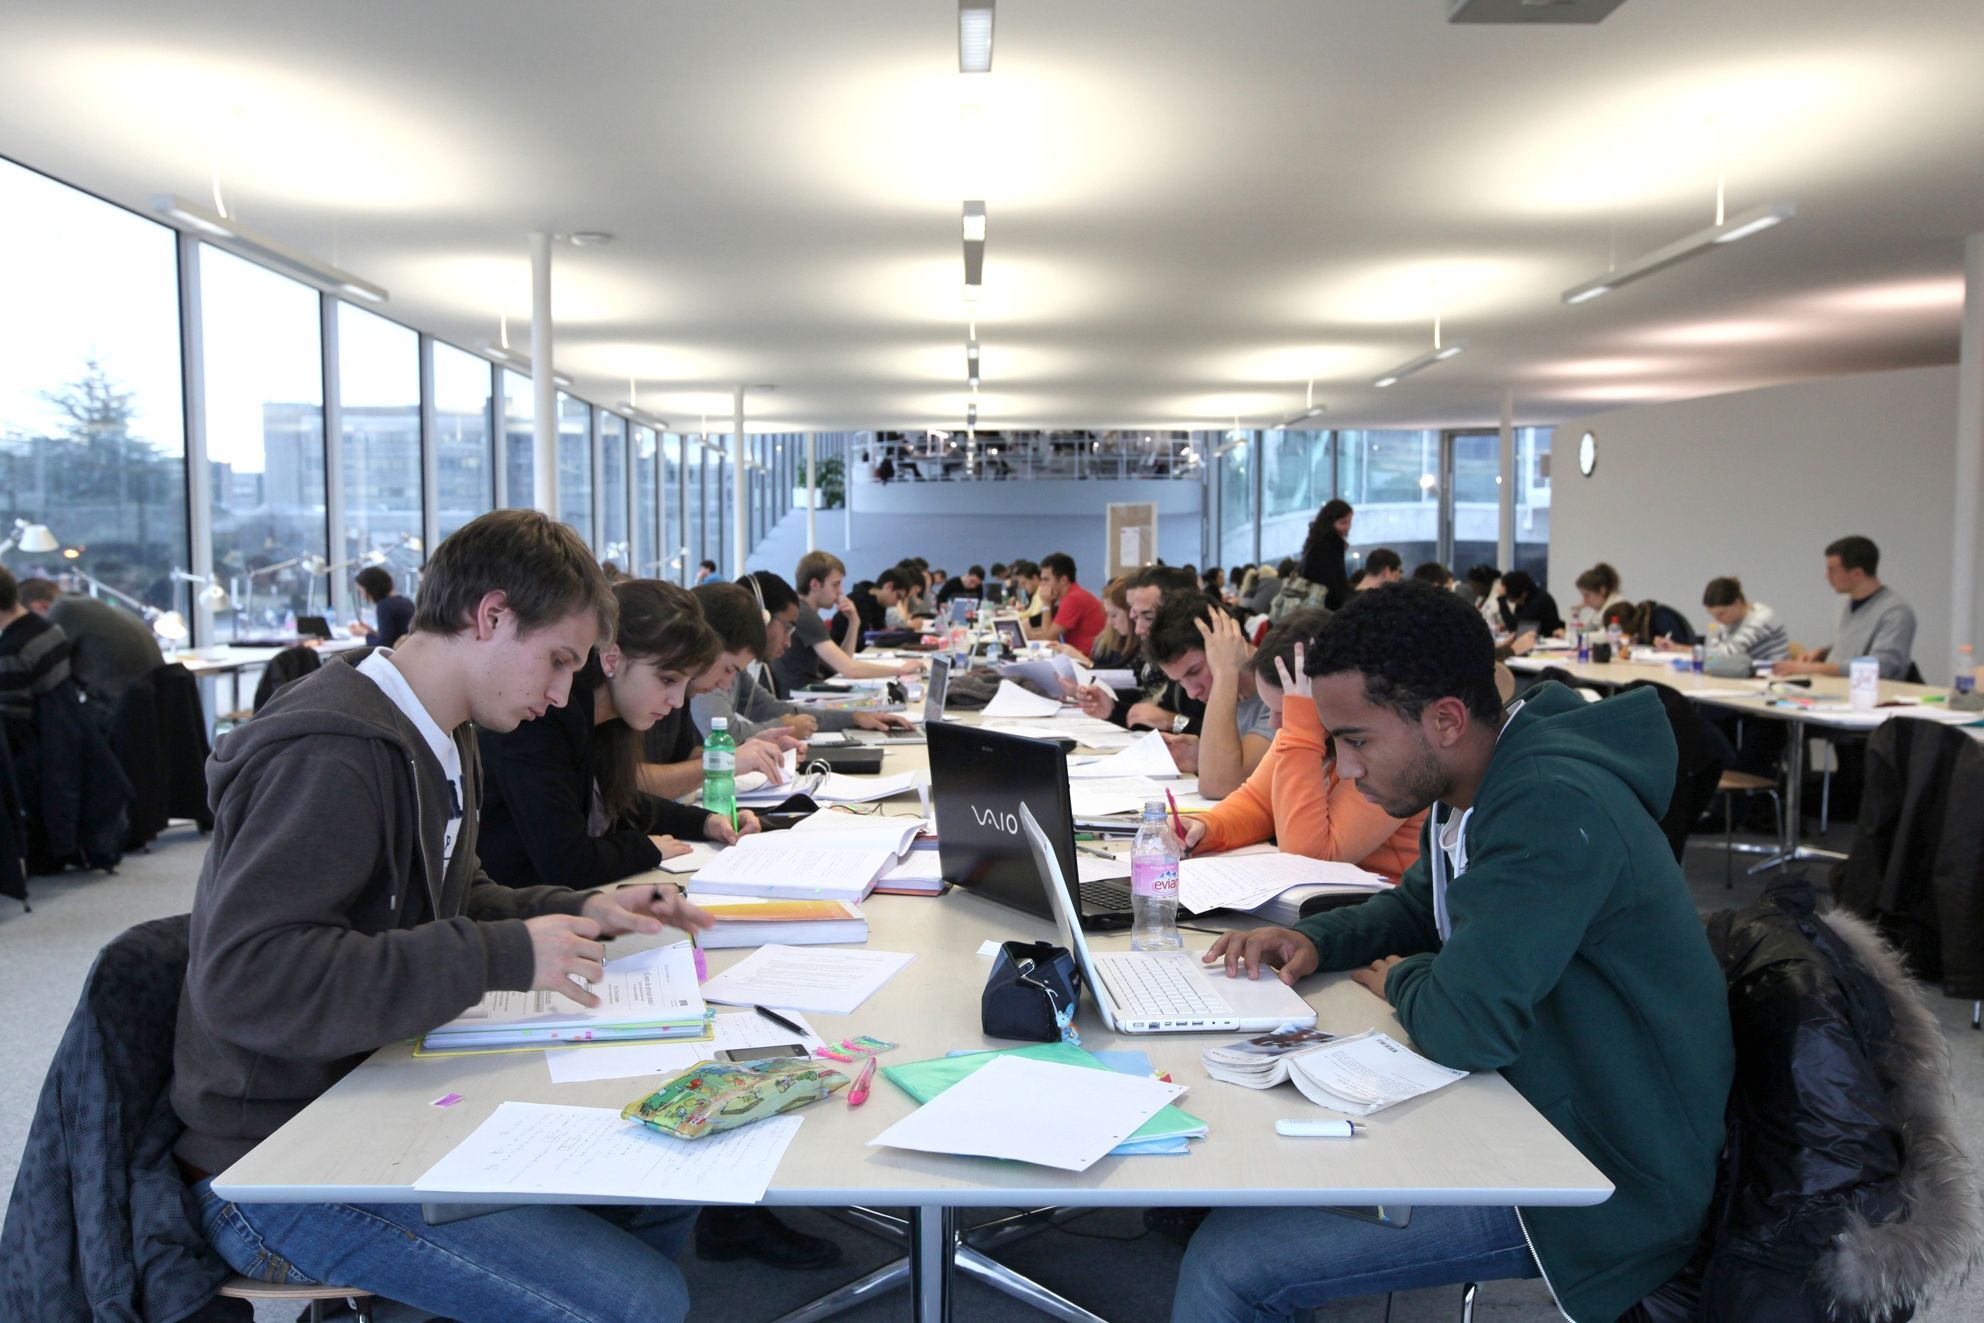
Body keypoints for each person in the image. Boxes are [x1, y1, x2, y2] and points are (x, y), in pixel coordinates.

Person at [173, 509, 722, 1323]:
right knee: (641, 1301)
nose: (563, 694)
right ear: (491, 615)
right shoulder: (333, 752)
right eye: (558, 661)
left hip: (372, 1080)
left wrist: (585, 909)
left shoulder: (443, 731)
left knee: (667, 1169)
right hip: (275, 1156)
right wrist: (501, 954)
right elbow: (248, 979)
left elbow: (456, 895)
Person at [1181, 583, 1734, 1323]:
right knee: (1257, 1164)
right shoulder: (1473, 774)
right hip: (1537, 1095)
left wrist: (1405, 977)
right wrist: (1314, 938)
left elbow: (1466, 1024)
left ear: (1444, 719)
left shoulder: (1550, 804)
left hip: (1604, 1166)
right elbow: (1422, 905)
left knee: (1232, 1264)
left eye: (1357, 740)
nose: (1347, 768)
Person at [477, 578, 761, 890]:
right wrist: (645, 848)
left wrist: (705, 822)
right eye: (667, 680)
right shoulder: (544, 719)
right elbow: (567, 864)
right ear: (612, 658)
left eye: (684, 683)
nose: (678, 701)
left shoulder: (605, 721)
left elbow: (621, 802)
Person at [1177, 609, 1422, 875]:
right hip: (1339, 892)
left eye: (1285, 711)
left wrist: (1301, 726)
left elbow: (1309, 858)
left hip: (1384, 893)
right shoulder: (1301, 730)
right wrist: (1206, 827)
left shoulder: (1387, 750)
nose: (1275, 724)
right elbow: (1258, 803)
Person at [692, 575, 913, 743]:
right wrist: (784, 728)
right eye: (788, 628)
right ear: (763, 619)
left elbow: (772, 708)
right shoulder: (711, 669)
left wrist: (854, 718)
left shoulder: (733, 670)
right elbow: (725, 736)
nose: (789, 642)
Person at [1141, 592, 1276, 799]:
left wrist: (1224, 672)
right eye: (1179, 681)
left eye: (1194, 671)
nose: (1192, 692)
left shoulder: (1279, 693)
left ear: (1229, 641)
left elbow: (1219, 786)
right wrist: (1202, 756)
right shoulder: (1233, 692)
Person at [1073, 565, 1205, 734]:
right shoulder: (1170, 661)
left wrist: (1172, 721)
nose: (1138, 630)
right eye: (1135, 617)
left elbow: (1222, 738)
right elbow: (1157, 718)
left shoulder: (1202, 655)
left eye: (1148, 617)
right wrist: (1112, 710)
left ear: (1179, 612)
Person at [771, 551, 922, 692]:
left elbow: (842, 663)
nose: (841, 591)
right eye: (835, 584)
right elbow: (850, 669)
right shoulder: (805, 616)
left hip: (806, 693)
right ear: (815, 584)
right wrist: (900, 670)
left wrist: (854, 623)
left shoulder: (805, 612)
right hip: (802, 698)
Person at [1775, 535, 1918, 680]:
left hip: (1874, 691)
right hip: (1836, 687)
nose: (1827, 577)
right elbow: (1853, 647)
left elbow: (1882, 666)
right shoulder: (1843, 603)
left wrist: (1814, 668)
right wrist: (1823, 652)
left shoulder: (1896, 613)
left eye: (1832, 571)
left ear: (1857, 574)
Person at [18, 577, 163, 707]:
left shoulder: (64, 609)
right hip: (154, 707)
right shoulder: (87, 604)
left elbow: (37, 668)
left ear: (39, 607)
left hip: (122, 712)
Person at [0, 567, 72, 753]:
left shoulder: (12, 652)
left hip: (35, 755)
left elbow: (11, 730)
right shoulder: (49, 629)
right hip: (63, 745)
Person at [1667, 576, 1788, 662]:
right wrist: (1677, 648)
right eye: (1713, 615)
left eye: (1721, 614)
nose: (1717, 619)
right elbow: (1712, 653)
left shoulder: (1762, 618)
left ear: (1737, 602)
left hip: (1772, 678)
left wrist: (1680, 649)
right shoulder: (1728, 620)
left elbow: (1725, 655)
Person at [1027, 552, 1106, 657]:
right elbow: (1051, 631)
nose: (1041, 585)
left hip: (1086, 658)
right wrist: (1032, 636)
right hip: (1080, 655)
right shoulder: (1074, 594)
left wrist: (1046, 603)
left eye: (1046, 580)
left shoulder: (1073, 599)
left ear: (1063, 580)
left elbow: (1049, 638)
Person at [1296, 498, 1354, 610]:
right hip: (1324, 609)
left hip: (1311, 607)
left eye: (1349, 522)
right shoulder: (1331, 545)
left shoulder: (1314, 542)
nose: (1347, 527)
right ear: (1329, 523)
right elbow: (1334, 586)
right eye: (1343, 523)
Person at [347, 565, 415, 648]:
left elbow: (383, 644)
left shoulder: (385, 606)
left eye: (362, 592)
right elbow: (392, 635)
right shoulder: (406, 601)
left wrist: (365, 633)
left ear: (371, 589)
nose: (363, 597)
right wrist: (371, 631)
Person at [1083, 576, 1138, 671]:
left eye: (1114, 615)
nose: (1109, 622)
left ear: (1130, 612)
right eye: (1108, 615)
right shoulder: (1110, 640)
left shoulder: (1143, 648)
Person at [1496, 569, 1563, 638]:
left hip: (1547, 640)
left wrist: (1501, 599)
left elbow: (1514, 628)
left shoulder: (1539, 601)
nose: (1509, 600)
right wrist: (1507, 625)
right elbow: (1519, 622)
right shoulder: (1528, 598)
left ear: (1523, 593)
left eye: (1509, 597)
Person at [1571, 561, 1626, 634]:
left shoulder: (1618, 606)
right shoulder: (1599, 609)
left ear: (1602, 591)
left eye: (1587, 595)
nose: (1584, 600)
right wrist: (1576, 612)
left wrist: (1571, 636)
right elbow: (1581, 630)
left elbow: (1606, 635)